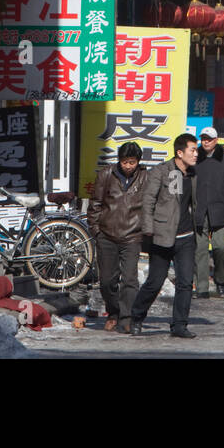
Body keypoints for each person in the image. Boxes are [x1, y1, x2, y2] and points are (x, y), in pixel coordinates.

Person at [130, 134, 200, 338]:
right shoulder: (162, 171)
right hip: (162, 235)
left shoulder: (192, 174)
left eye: (196, 150)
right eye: (192, 150)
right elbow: (149, 201)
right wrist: (148, 229)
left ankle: (179, 325)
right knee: (155, 281)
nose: (196, 154)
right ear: (180, 153)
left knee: (186, 282)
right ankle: (136, 316)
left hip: (186, 236)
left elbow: (187, 204)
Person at [87, 142, 149, 333]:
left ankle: (126, 317)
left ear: (138, 162)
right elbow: (95, 204)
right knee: (107, 281)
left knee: (130, 279)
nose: (128, 166)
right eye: (125, 162)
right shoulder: (106, 174)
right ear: (118, 161)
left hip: (133, 236)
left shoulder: (146, 177)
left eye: (132, 162)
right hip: (106, 235)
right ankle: (113, 312)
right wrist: (96, 230)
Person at [193, 127, 224, 300]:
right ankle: (201, 287)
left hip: (220, 210)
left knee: (222, 247)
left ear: (216, 140)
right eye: (203, 138)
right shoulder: (194, 157)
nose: (206, 141)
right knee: (199, 250)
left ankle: (220, 280)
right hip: (198, 211)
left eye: (209, 139)